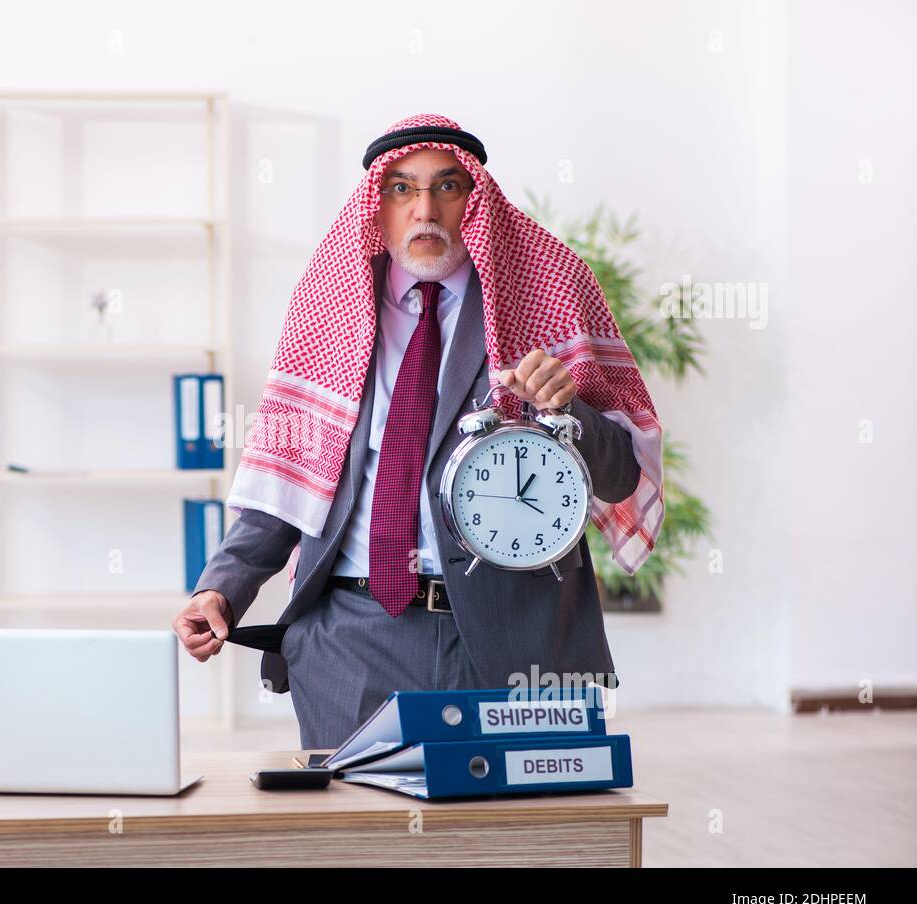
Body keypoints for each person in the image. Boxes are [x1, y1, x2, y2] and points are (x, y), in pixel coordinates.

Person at [170, 113, 664, 749]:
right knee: (366, 846)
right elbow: (288, 481)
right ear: (377, 204)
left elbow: (623, 473)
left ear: (476, 200)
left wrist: (568, 412)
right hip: (353, 641)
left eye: (447, 187)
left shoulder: (545, 296)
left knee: (517, 845)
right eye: (402, 188)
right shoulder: (332, 306)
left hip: (518, 639)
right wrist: (220, 590)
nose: (424, 207)